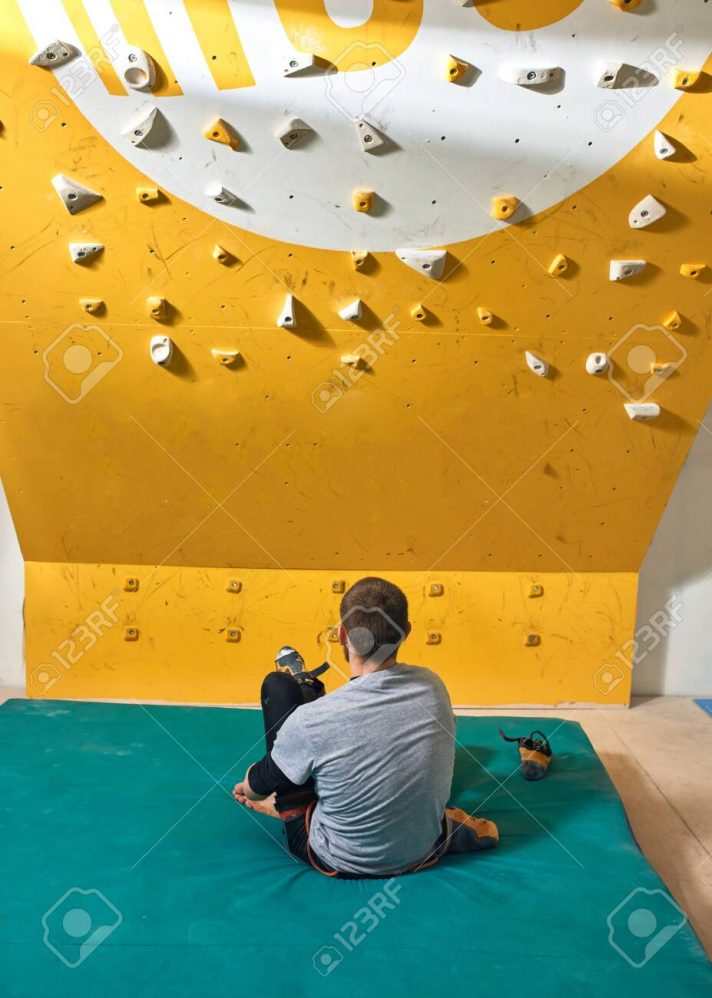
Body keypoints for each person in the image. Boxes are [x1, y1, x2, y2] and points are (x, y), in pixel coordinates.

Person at [232, 576, 498, 878]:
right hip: (424, 848)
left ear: (343, 635)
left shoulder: (313, 720)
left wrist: (251, 786)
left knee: (278, 688)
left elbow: (254, 790)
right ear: (406, 631)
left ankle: (301, 697)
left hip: (338, 858)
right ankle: (443, 828)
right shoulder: (433, 685)